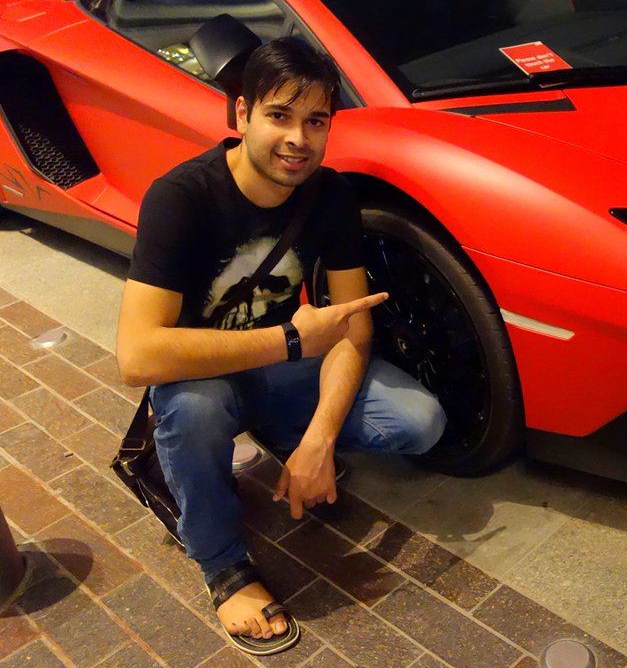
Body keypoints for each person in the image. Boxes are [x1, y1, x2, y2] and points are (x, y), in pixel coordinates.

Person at [115, 37, 446, 657]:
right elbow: (137, 357)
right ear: (240, 115)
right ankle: (221, 563)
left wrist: (320, 440)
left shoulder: (331, 196)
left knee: (418, 421)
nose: (299, 138)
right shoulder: (182, 197)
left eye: (315, 121)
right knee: (194, 409)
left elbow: (353, 327)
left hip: (284, 367)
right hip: (203, 374)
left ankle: (292, 443)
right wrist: (292, 336)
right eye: (279, 116)